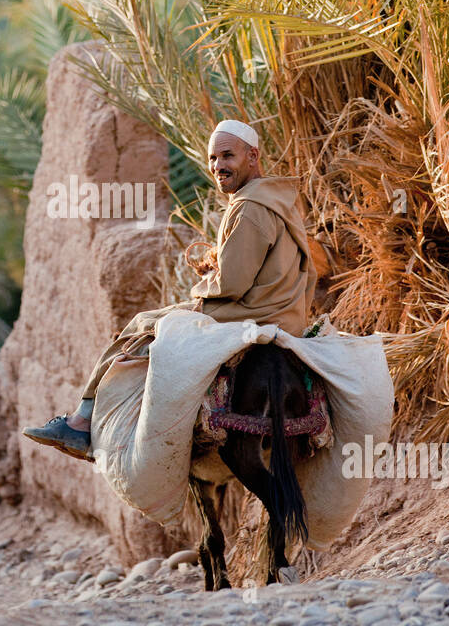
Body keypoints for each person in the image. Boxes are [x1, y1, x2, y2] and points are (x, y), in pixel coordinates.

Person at [23, 118, 317, 460]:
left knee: (143, 323)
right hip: (286, 313)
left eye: (227, 156)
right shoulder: (277, 199)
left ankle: (80, 422)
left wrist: (199, 290)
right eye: (213, 159)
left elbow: (233, 285)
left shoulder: (249, 208)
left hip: (254, 312)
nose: (218, 166)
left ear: (252, 156)